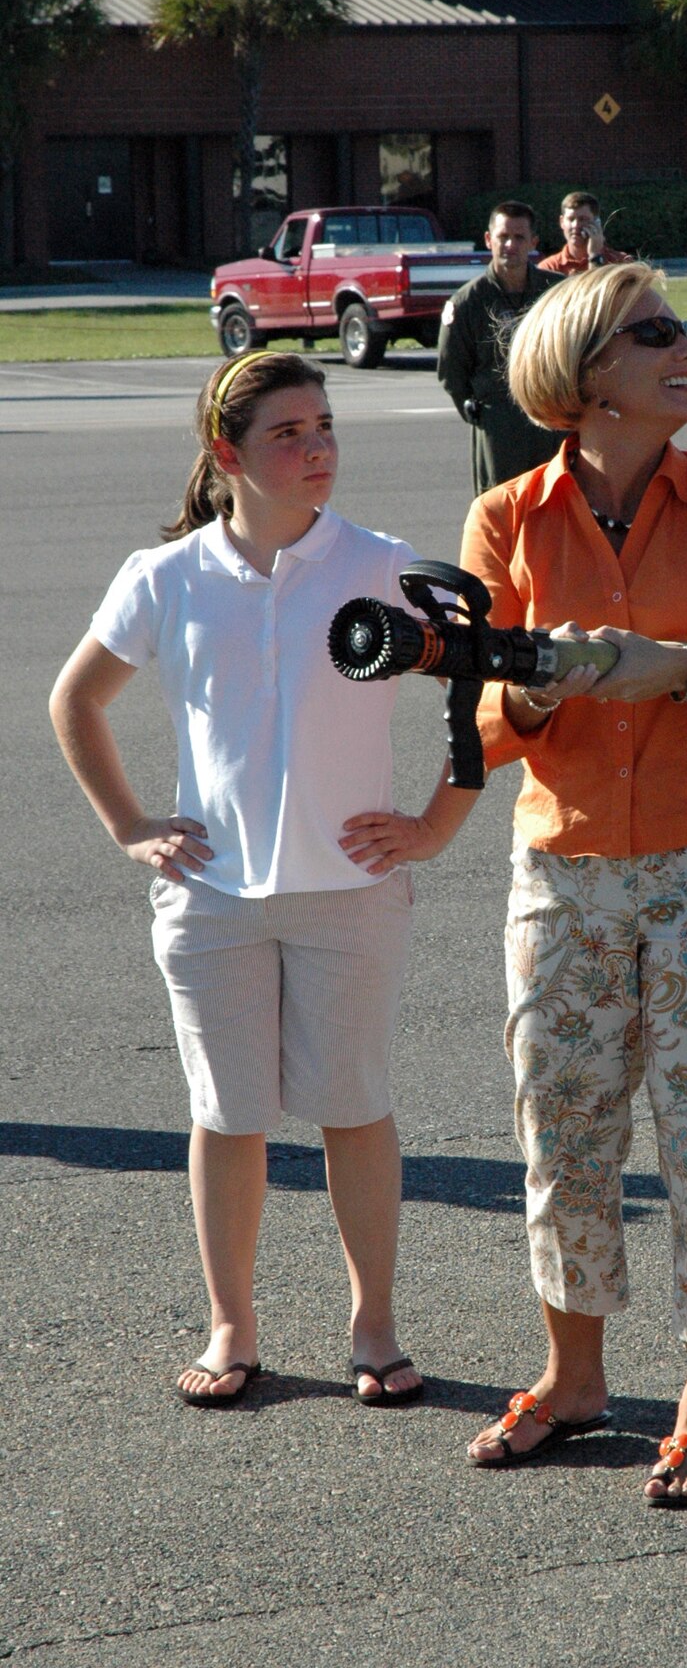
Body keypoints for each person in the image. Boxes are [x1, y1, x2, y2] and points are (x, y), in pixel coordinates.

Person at [457, 262, 687, 1505]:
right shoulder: (509, 516)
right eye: (658, 334)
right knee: (562, 1125)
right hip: (561, 865)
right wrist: (541, 686)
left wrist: (671, 667)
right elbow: (482, 715)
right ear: (583, 376)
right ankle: (573, 1379)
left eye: (681, 329)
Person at [49, 352, 478, 1408]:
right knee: (228, 1113)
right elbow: (77, 699)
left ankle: (373, 1323)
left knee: (354, 1105)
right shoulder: (168, 576)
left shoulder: (382, 566)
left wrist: (431, 826)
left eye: (325, 423)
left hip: (353, 892)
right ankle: (232, 1323)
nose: (317, 444)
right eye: (288, 431)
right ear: (226, 454)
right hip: (211, 897)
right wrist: (130, 825)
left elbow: (487, 696)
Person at [438, 201, 563, 494]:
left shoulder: (557, 292)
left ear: (533, 242)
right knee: (502, 506)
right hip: (500, 426)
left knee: (557, 502)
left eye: (519, 238)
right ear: (488, 240)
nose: (510, 244)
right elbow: (451, 371)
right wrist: (483, 414)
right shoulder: (467, 302)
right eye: (503, 236)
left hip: (552, 419)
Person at [537, 190, 633, 275]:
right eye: (571, 219)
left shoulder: (620, 262)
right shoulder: (549, 268)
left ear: (596, 223)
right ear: (562, 222)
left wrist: (595, 256)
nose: (576, 225)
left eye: (583, 219)